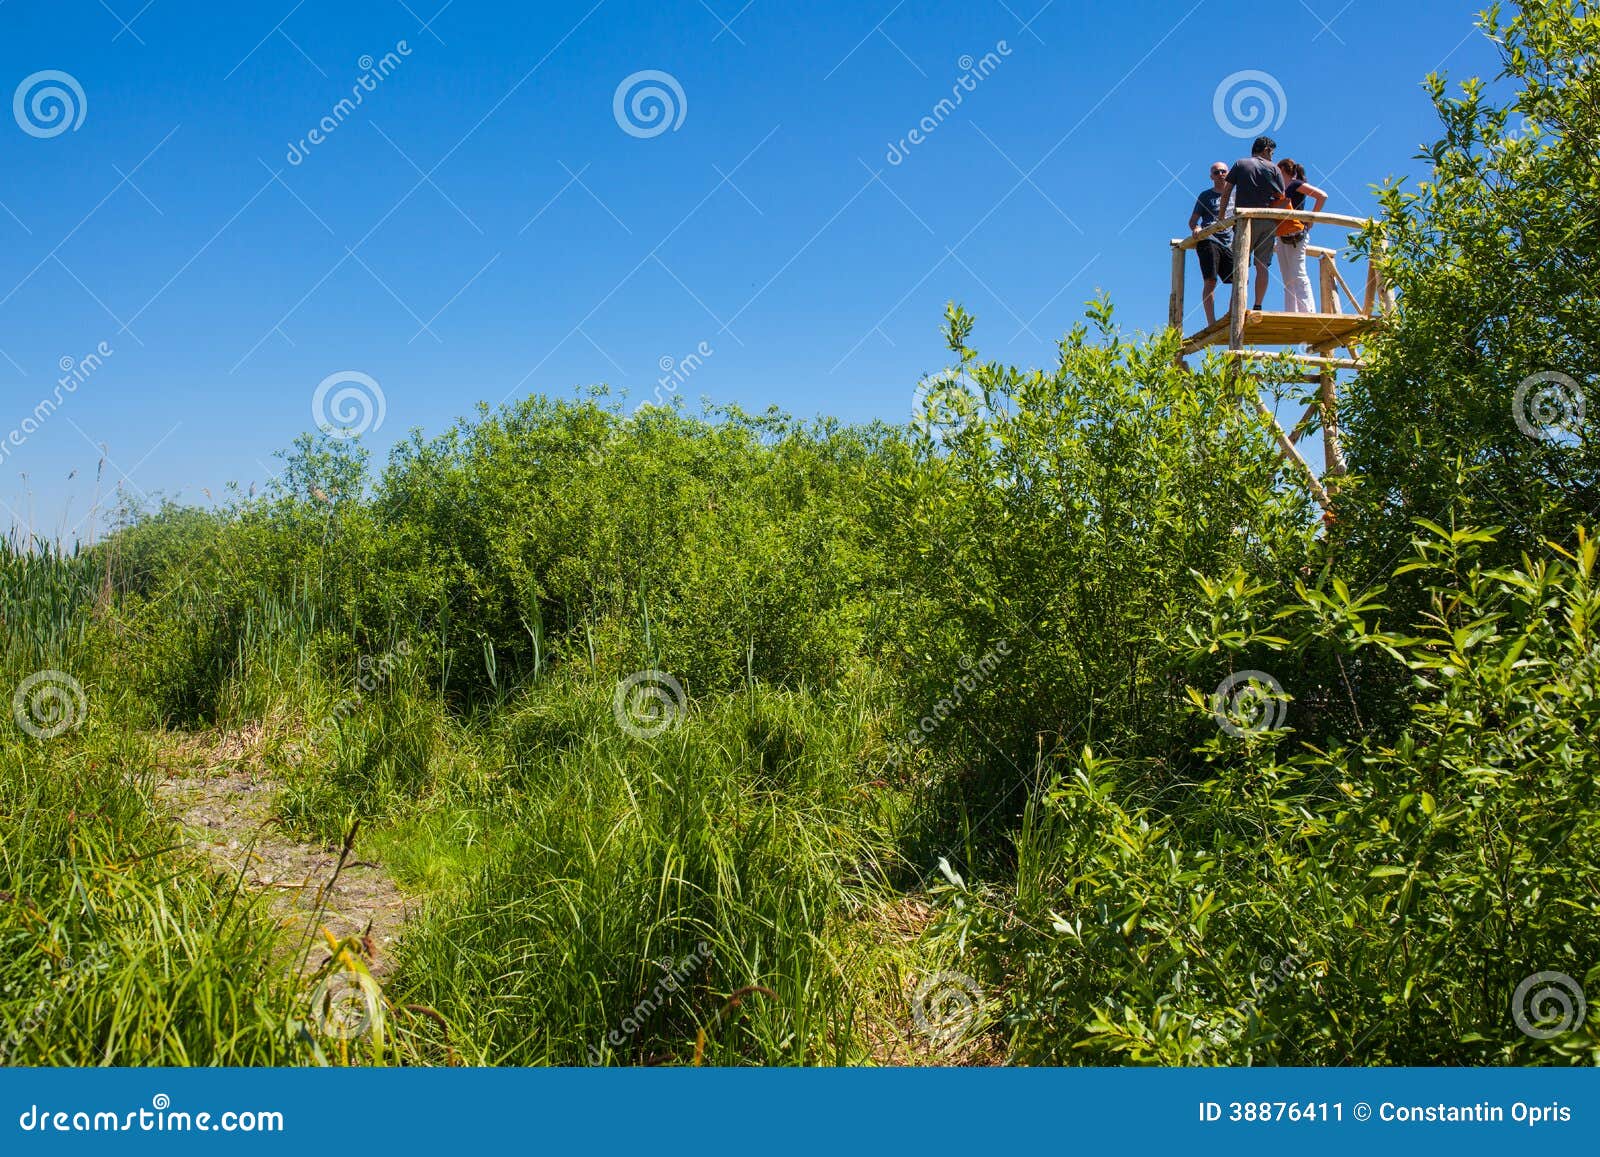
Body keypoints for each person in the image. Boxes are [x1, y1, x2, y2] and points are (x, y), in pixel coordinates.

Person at [1217, 136, 1284, 312]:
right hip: (1267, 220)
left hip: (1245, 221)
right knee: (1262, 266)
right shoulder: (1274, 168)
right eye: (1272, 153)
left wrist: (1222, 217)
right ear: (1266, 150)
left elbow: (1226, 192)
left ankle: (1237, 306)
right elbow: (1280, 196)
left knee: (1241, 265)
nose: (1272, 157)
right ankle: (1258, 305)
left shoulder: (1240, 164)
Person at [1273, 158, 1329, 313]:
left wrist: (1312, 219)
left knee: (1299, 274)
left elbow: (1322, 196)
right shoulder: (1280, 189)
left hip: (1296, 235)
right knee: (1287, 279)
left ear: (1283, 169)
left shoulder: (1295, 184)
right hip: (1281, 236)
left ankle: (1308, 312)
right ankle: (1291, 312)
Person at [1188, 161, 1234, 327]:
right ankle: (1211, 322)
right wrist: (1197, 227)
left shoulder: (1236, 195)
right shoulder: (1206, 196)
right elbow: (1192, 221)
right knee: (1211, 280)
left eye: (1223, 171)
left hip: (1229, 243)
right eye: (1216, 172)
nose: (1220, 174)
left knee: (1240, 280)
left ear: (1228, 173)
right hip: (1209, 238)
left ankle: (1232, 317)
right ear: (1211, 177)